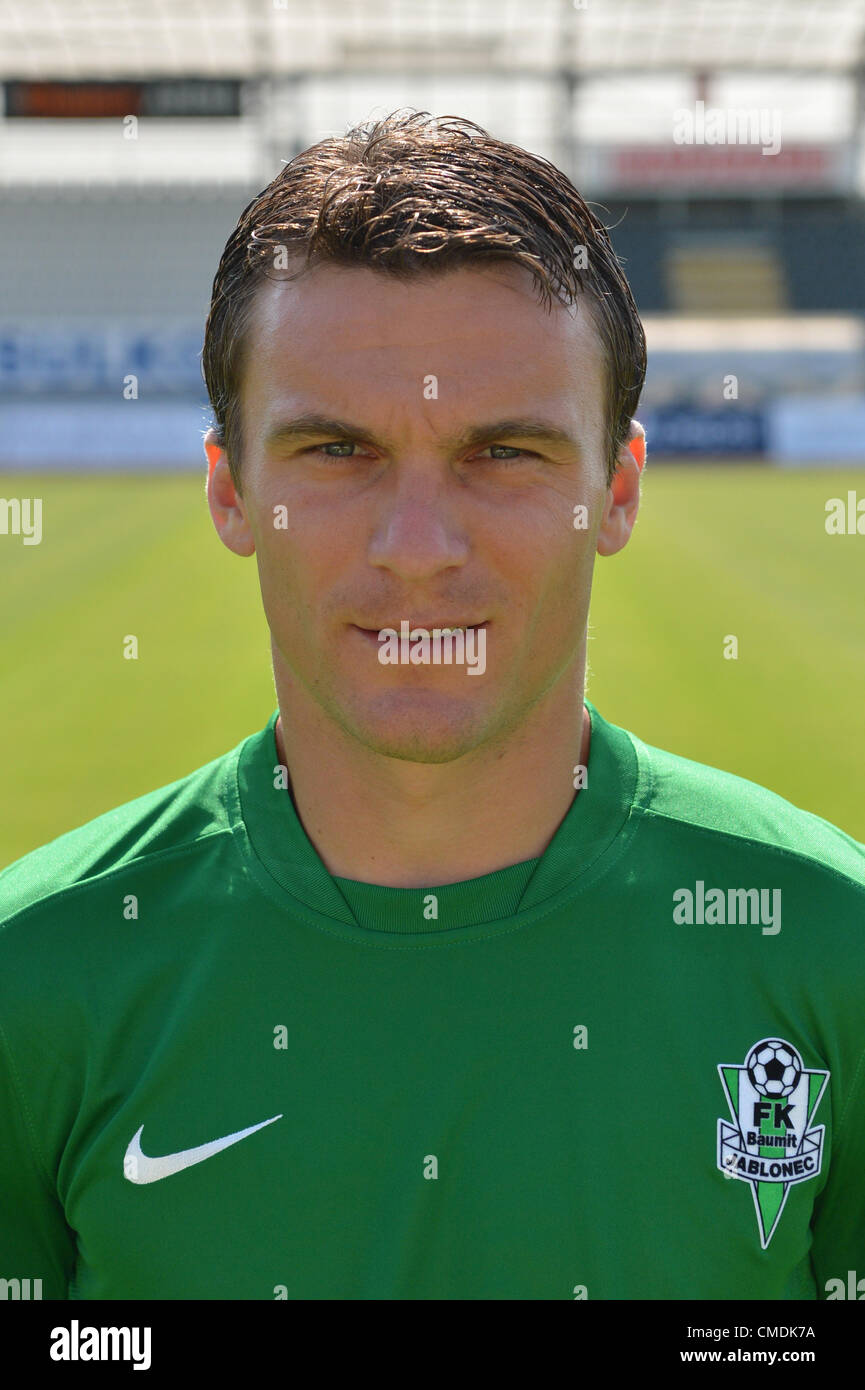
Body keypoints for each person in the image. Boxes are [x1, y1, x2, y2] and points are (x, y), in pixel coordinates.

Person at [0, 110, 862, 1301]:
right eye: (337, 451)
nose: (417, 548)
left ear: (614, 493)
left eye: (503, 452)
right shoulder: (33, 976)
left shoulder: (827, 944)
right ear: (230, 491)